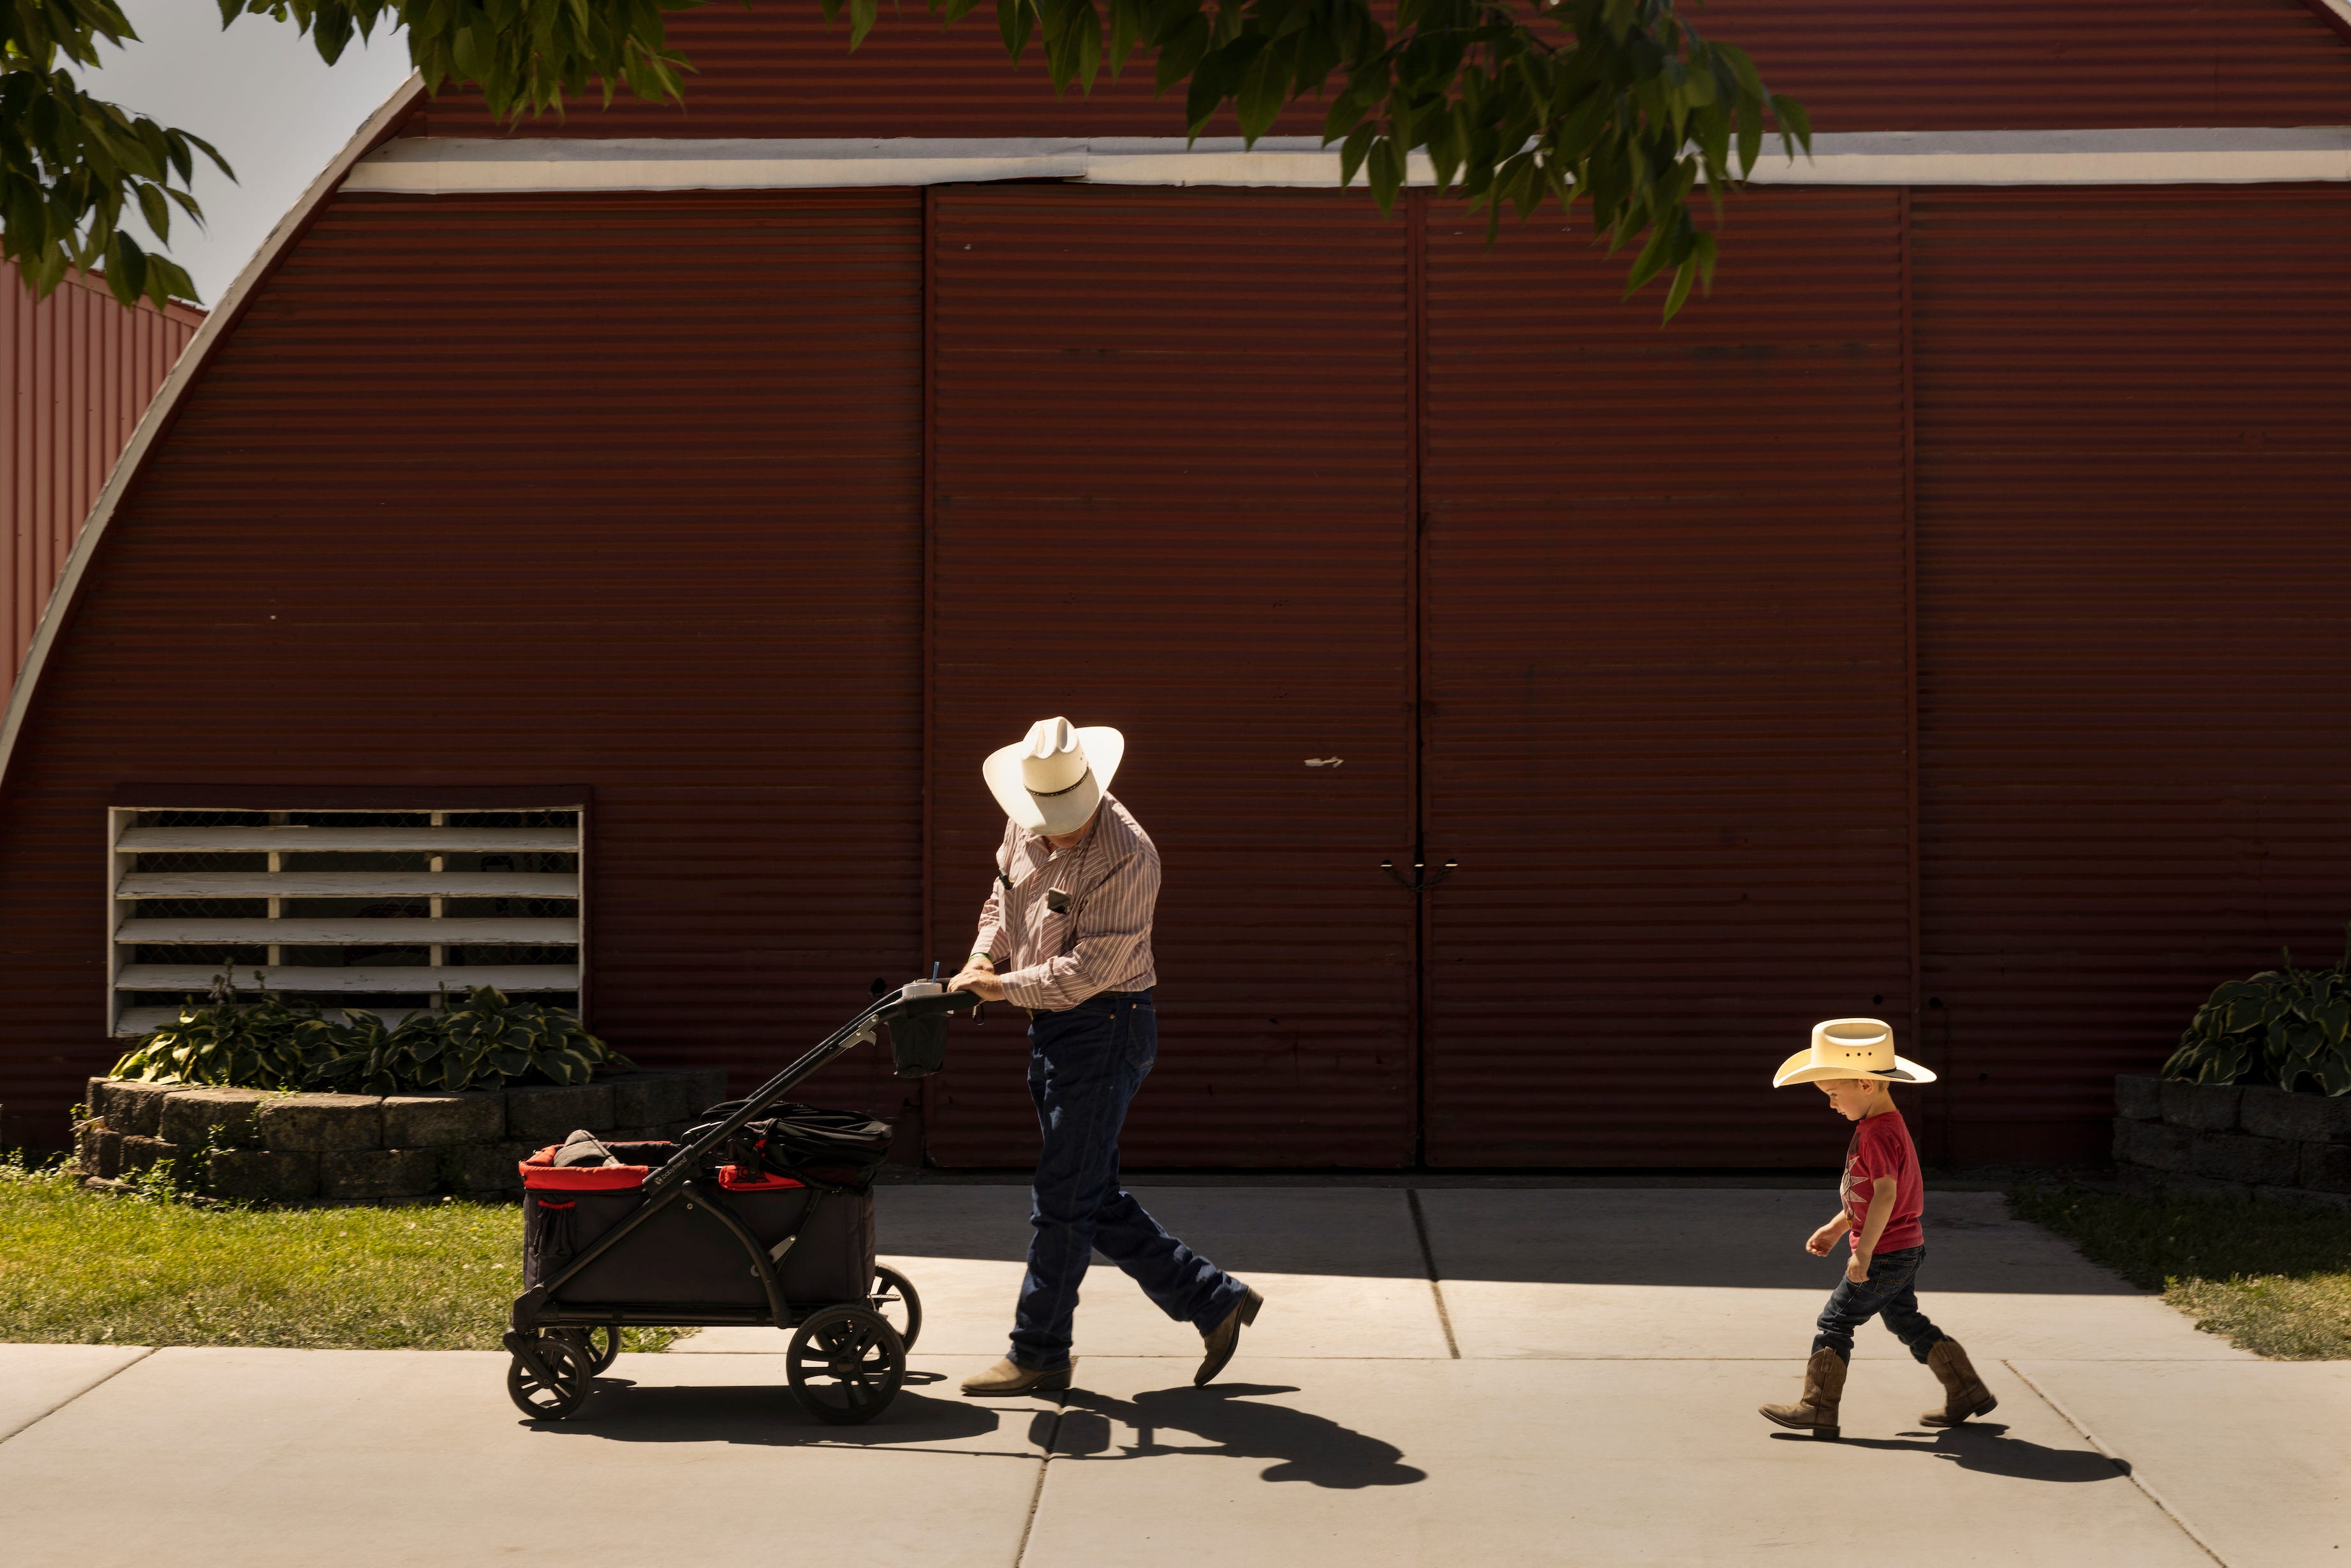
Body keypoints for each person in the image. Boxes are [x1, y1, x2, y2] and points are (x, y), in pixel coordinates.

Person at [947, 716, 1262, 1396]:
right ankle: (1212, 1298)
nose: (1053, 828)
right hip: (1053, 1026)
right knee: (1088, 1190)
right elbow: (1001, 904)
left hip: (1106, 1022)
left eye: (1067, 815)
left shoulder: (1128, 854)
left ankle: (1039, 1350)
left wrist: (996, 986)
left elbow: (1087, 970)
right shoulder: (1021, 819)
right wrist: (981, 955)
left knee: (1062, 1197)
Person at [1757, 1018, 1998, 1440]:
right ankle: (1967, 1390)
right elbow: (1868, 1196)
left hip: (1885, 1251)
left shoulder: (1876, 1134)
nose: (1832, 1104)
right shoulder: (1883, 1127)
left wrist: (1863, 1252)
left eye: (1834, 1093)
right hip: (1903, 1246)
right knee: (1906, 1319)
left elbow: (1886, 1195)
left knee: (1835, 1321)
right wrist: (1836, 1227)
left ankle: (1817, 1407)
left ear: (1866, 1084)